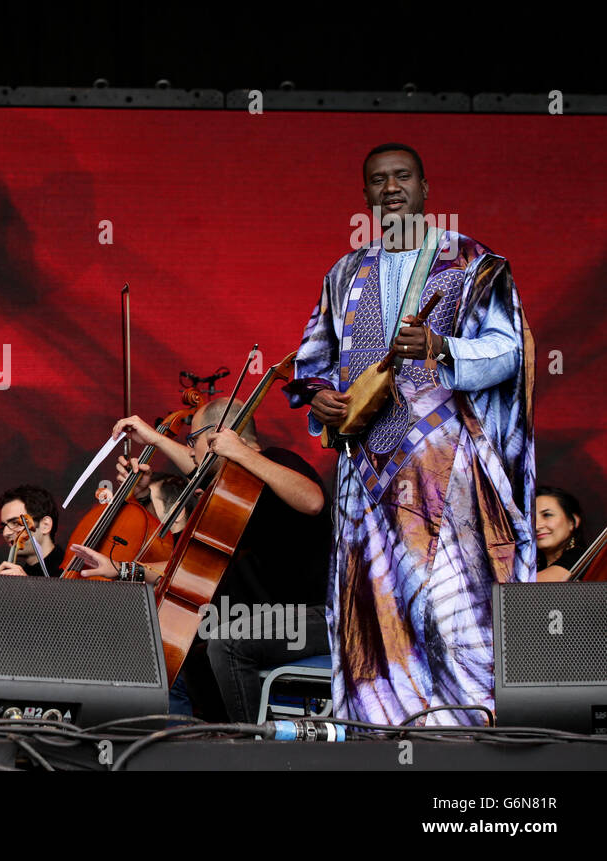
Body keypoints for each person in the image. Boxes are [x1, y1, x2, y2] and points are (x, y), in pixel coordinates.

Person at [285, 143, 535, 726]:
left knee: (453, 611)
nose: (390, 187)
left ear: (425, 187)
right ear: (366, 195)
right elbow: (311, 362)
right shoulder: (344, 274)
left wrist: (440, 346)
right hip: (366, 476)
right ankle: (381, 736)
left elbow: (506, 353)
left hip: (445, 471)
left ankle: (467, 736)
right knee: (374, 613)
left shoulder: (475, 263)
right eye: (377, 180)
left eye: (402, 177)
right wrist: (321, 396)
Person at [74, 399, 331, 723]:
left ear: (217, 436)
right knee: (180, 655)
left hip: (315, 617)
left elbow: (312, 500)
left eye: (191, 441)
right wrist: (121, 569)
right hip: (266, 619)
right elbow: (187, 571)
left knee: (227, 644)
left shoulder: (276, 461)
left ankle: (250, 749)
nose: (190, 452)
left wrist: (239, 452)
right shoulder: (229, 495)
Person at [0, 485, 65, 577]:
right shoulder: (19, 575)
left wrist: (27, 588)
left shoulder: (73, 570)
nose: (5, 533)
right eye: (4, 526)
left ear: (45, 525)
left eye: (16, 523)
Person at [535, 486, 586, 582]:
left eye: (547, 515)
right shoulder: (532, 566)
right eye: (531, 518)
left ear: (572, 521)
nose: (537, 526)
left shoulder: (581, 558)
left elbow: (522, 590)